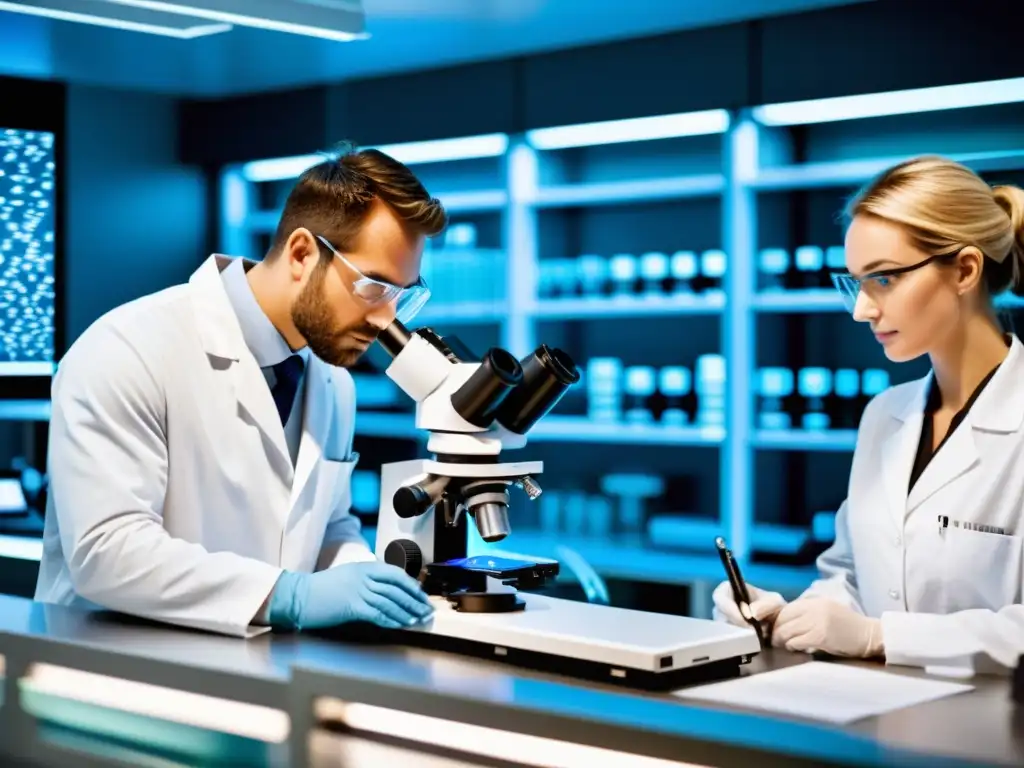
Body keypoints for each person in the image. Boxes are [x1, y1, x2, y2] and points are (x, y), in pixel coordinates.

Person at [35, 147, 448, 637]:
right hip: (109, 676)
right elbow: (107, 552)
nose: (387, 319)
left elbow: (328, 529)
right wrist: (291, 596)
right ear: (301, 254)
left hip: (253, 674)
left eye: (403, 294)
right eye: (374, 287)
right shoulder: (126, 348)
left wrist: (362, 579)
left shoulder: (334, 384)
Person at [714, 155, 1024, 674]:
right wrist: (798, 616)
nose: (862, 310)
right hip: (880, 721)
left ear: (966, 270)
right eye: (856, 283)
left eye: (884, 280)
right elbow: (852, 575)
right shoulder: (885, 414)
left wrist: (880, 637)